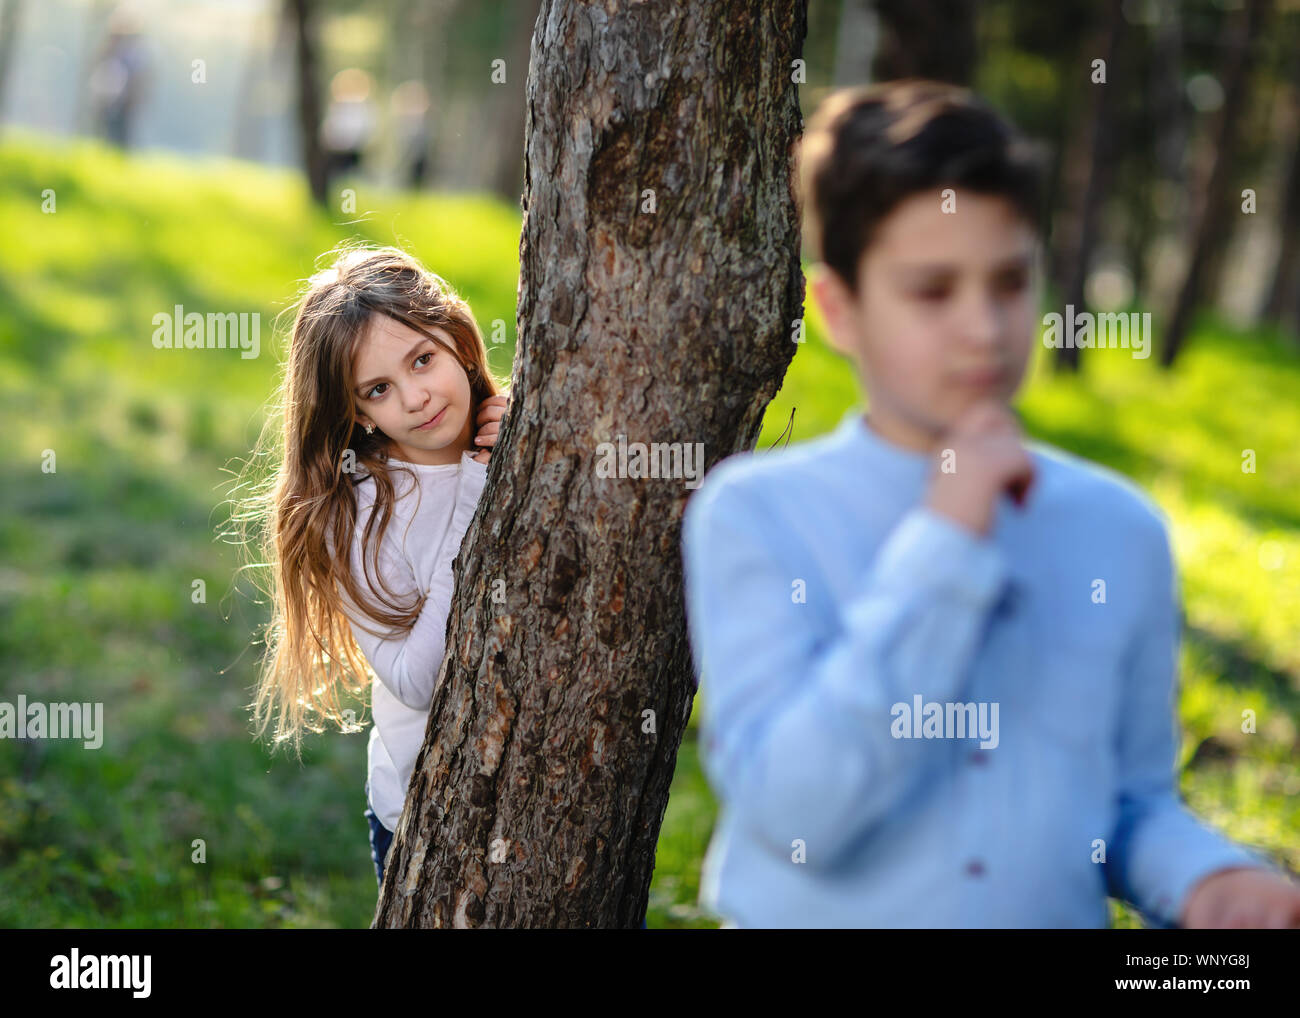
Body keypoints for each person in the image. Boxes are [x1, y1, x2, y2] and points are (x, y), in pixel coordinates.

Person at [680, 79, 1300, 928]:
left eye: (1008, 283)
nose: (984, 327)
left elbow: (1126, 805)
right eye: (933, 291)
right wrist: (946, 540)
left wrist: (1209, 879)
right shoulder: (756, 515)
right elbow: (800, 813)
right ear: (839, 308)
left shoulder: (1116, 529)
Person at [245, 244, 506, 890]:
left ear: (458, 341)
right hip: (428, 812)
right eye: (380, 389)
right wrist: (475, 500)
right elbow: (417, 682)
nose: (416, 397)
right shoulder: (356, 518)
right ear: (357, 411)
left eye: (423, 360)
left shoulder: (516, 433)